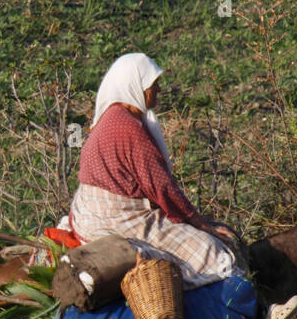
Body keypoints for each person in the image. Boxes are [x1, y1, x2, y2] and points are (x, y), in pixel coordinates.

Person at [68, 53, 242, 289]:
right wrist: (201, 224)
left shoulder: (115, 118)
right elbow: (161, 187)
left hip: (91, 213)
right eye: (153, 85)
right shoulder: (126, 127)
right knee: (209, 251)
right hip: (116, 218)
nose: (158, 90)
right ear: (135, 87)